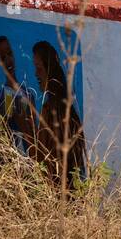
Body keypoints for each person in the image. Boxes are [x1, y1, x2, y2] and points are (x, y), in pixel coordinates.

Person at [32, 41, 86, 190]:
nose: (36, 73)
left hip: (54, 189)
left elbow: (41, 156)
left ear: (48, 69)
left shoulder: (49, 109)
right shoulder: (68, 107)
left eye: (38, 67)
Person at [0, 35, 38, 155]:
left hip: (33, 155)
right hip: (16, 157)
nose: (8, 60)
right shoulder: (4, 95)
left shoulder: (28, 93)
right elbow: (6, 129)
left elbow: (34, 126)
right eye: (3, 58)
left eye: (9, 54)